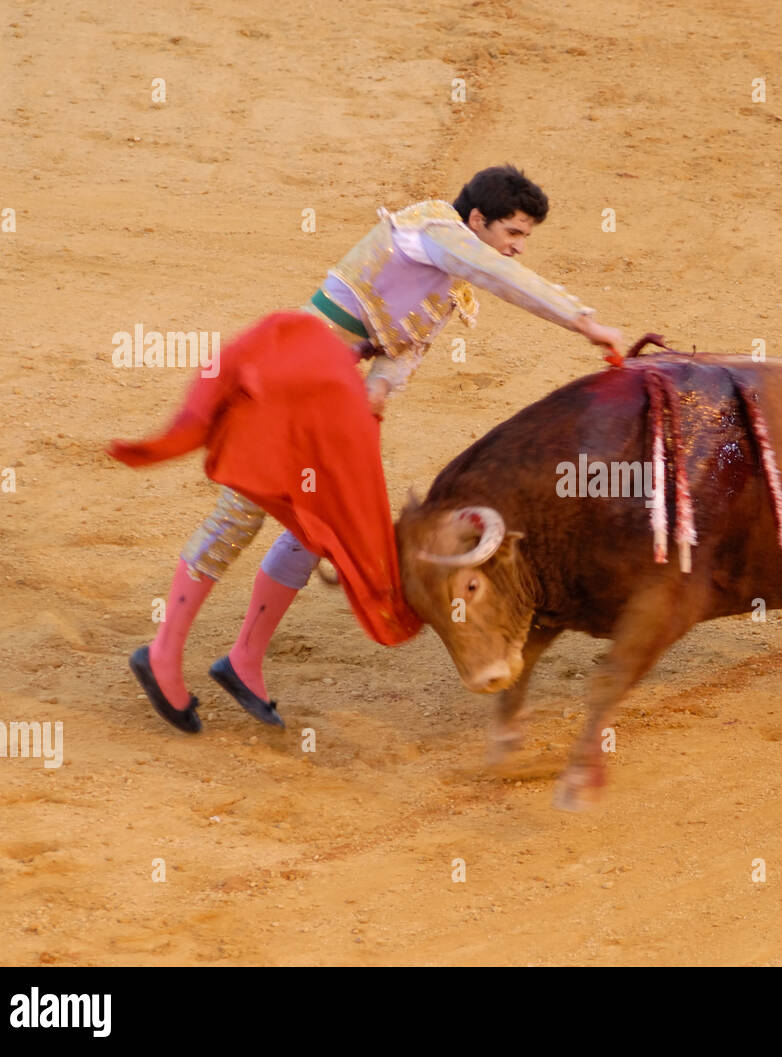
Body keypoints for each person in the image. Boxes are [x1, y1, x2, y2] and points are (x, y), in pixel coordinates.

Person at [124, 164, 622, 733]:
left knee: (317, 527)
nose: (517, 248)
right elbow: (495, 274)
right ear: (477, 219)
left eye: (525, 237)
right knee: (239, 513)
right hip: (292, 372)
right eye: (513, 233)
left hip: (335, 393)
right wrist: (585, 322)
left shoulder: (448, 276)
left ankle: (244, 662)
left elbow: (402, 349)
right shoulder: (434, 230)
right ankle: (161, 654)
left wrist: (380, 388)